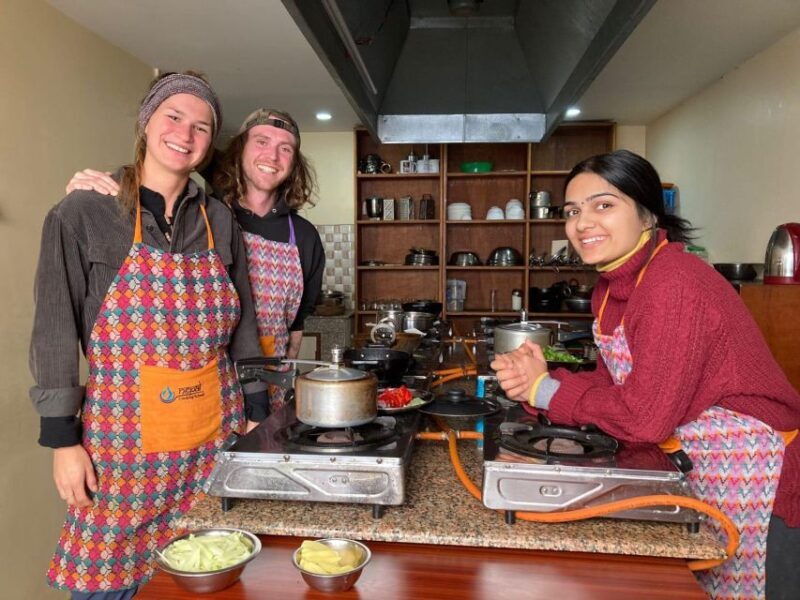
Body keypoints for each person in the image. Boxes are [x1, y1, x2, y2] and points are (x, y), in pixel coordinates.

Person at [491, 149, 800, 600]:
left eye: (603, 205)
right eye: (572, 211)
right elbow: (618, 382)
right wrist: (540, 382)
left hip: (756, 472)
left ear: (648, 214)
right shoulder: (613, 284)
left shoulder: (672, 282)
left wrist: (548, 389)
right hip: (701, 460)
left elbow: (645, 418)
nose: (581, 223)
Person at [30, 71, 268, 599]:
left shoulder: (220, 221)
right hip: (122, 454)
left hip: (212, 441)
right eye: (173, 116)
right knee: (107, 584)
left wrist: (256, 405)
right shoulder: (83, 212)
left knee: (208, 572)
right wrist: (62, 440)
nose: (186, 134)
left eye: (202, 127)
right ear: (146, 123)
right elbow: (53, 326)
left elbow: (244, 325)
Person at [66, 108, 325, 411]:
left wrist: (285, 390)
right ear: (239, 150)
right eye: (262, 141)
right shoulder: (203, 216)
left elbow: (295, 325)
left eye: (286, 148)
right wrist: (97, 192)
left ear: (294, 163)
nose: (273, 156)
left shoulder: (304, 237)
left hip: (268, 388)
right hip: (203, 383)